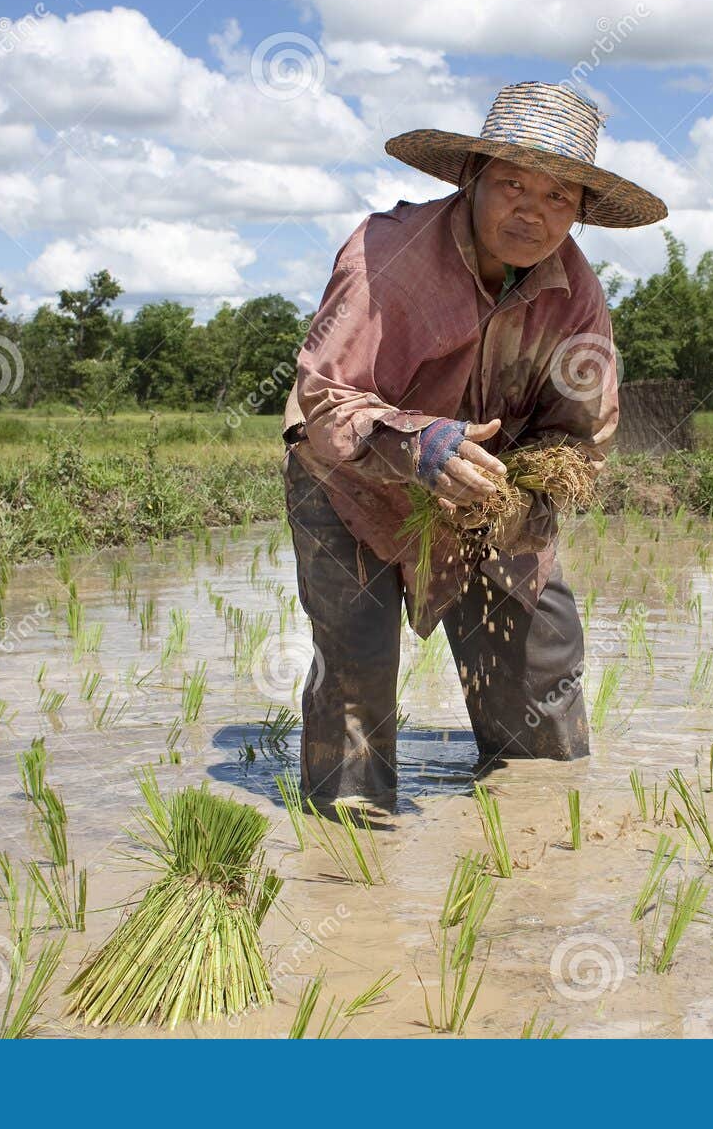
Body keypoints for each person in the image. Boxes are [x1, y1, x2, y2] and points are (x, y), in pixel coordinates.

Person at [280, 80, 668, 810]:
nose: (533, 210)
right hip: (350, 481)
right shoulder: (384, 256)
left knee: (540, 654)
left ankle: (540, 835)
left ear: (582, 212)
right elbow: (327, 399)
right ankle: (352, 852)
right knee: (357, 670)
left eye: (560, 197)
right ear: (471, 179)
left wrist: (523, 491)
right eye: (513, 183)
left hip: (487, 494)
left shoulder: (574, 292)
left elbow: (581, 431)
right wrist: (420, 445)